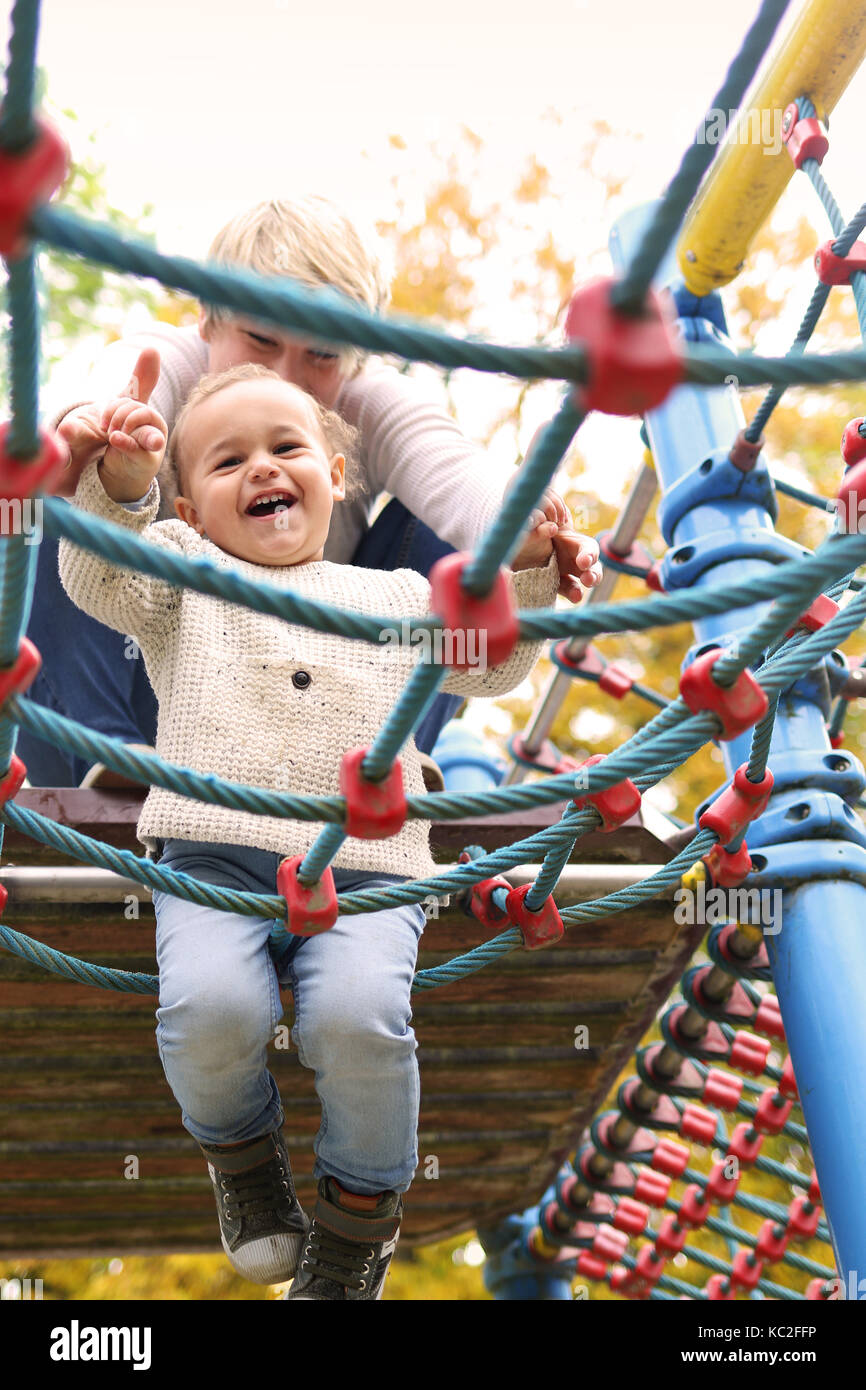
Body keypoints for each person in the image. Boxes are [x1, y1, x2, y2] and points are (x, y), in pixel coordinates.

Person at [58, 362, 566, 1300]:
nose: (262, 469)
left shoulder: (400, 598)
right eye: (227, 460)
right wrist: (123, 483)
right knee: (211, 1011)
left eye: (285, 448)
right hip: (214, 848)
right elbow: (101, 577)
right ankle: (244, 1160)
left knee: (359, 1022)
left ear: (334, 474)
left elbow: (489, 667)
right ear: (191, 508)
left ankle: (357, 1219)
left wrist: (529, 572)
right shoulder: (185, 572)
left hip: (370, 864)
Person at [25, 196, 601, 789]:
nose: (285, 377)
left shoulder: (368, 404)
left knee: (444, 541)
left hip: (325, 718)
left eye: (322, 354)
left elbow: (456, 476)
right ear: (208, 320)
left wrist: (526, 523)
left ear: (353, 358)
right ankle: (106, 752)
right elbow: (114, 386)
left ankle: (390, 750)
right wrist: (94, 429)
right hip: (158, 697)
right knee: (54, 508)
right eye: (260, 340)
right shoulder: (169, 363)